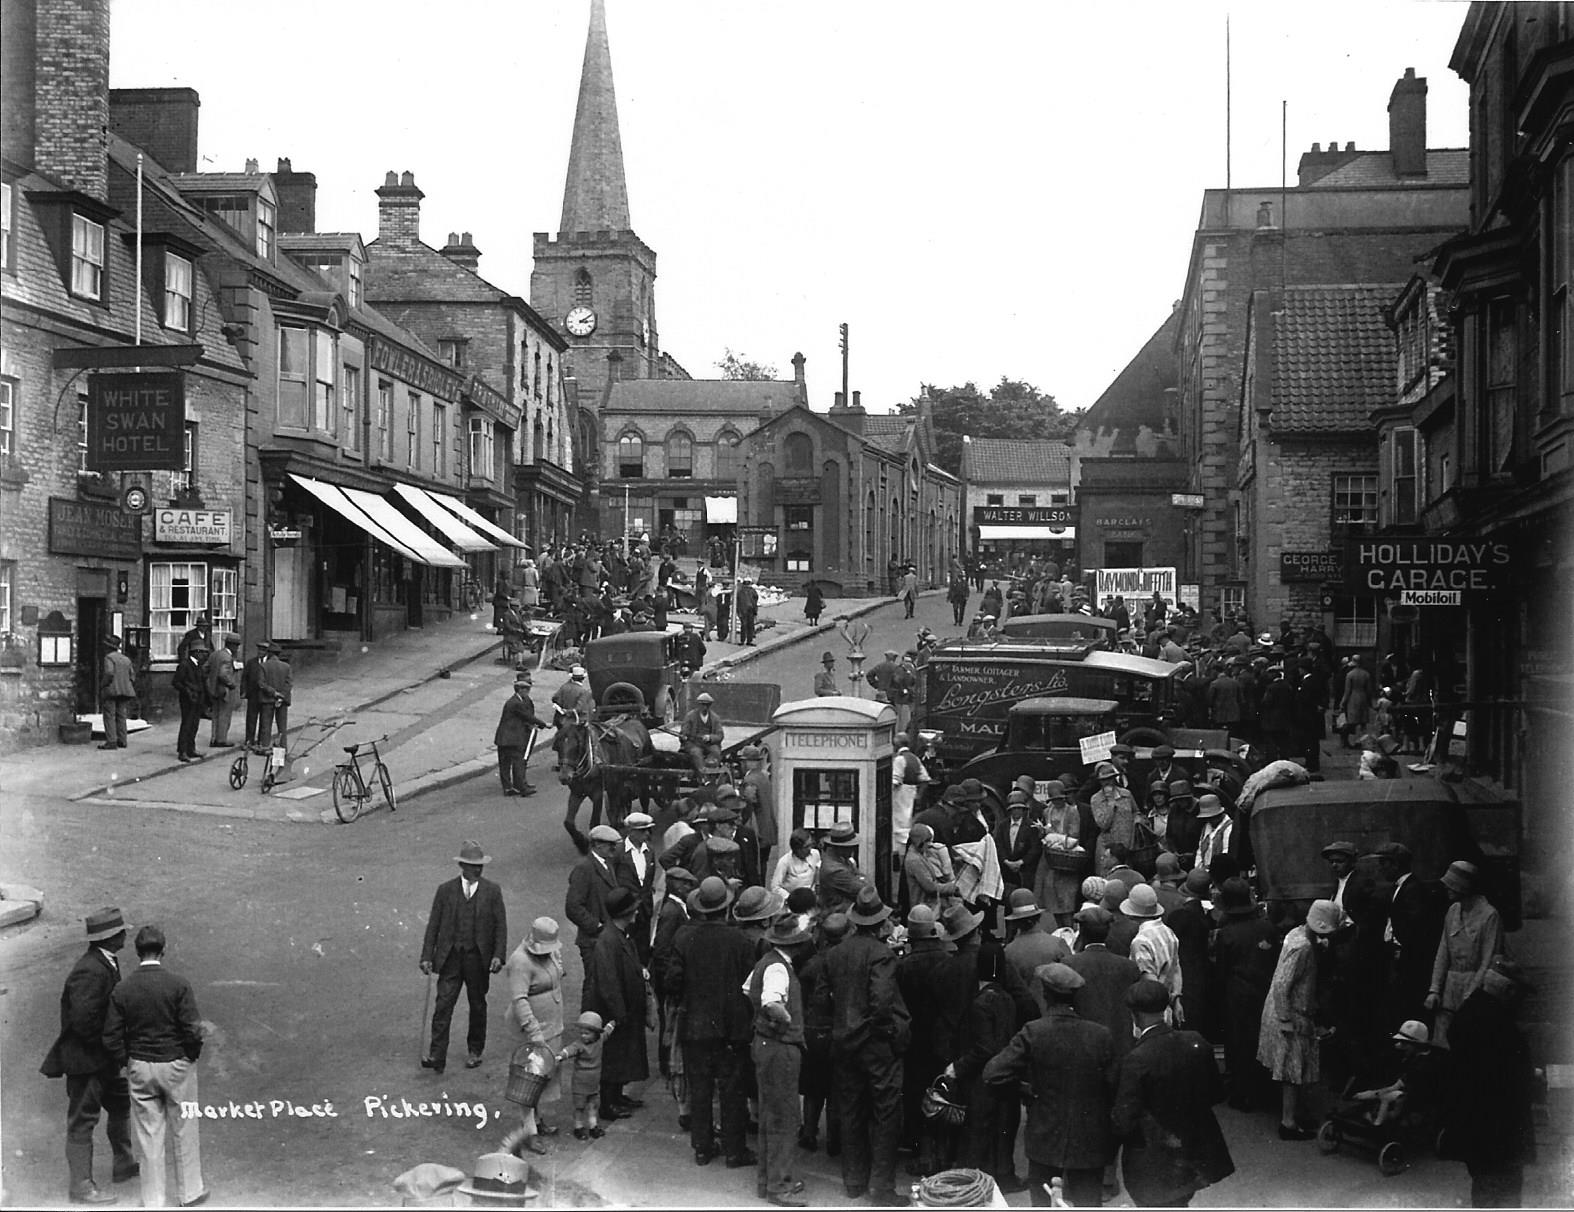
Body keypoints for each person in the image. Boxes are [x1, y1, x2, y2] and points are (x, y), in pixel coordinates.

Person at [982, 962, 1115, 1209]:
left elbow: (993, 1073)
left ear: (1045, 995)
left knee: (1043, 1203)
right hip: (1089, 1137)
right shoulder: (1100, 1034)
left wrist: (1023, 1089)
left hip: (1045, 1133)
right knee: (1088, 1203)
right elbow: (1112, 1085)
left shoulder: (1034, 1032)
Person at [100, 925, 207, 1210]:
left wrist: (127, 1060)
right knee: (184, 1126)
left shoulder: (123, 988)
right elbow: (192, 1029)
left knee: (148, 1136)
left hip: (140, 1066)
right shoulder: (178, 984)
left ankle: (153, 1199)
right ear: (163, 949)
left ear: (137, 953)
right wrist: (189, 1056)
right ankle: (189, 1193)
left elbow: (110, 1035)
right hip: (176, 1064)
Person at [40, 907, 138, 1204]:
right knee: (83, 1120)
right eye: (121, 932)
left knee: (120, 1106)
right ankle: (81, 1186)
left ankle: (123, 1162)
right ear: (110, 937)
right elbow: (84, 1021)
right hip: (87, 1061)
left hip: (102, 1059)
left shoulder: (105, 961)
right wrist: (111, 1045)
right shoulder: (89, 970)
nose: (124, 935)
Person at [1112, 979, 1235, 1209]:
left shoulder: (1136, 1059)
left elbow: (1123, 1121)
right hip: (1192, 1157)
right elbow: (1216, 1094)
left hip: (1152, 1165)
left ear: (1135, 1015)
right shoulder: (1196, 1042)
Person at [823, 886, 907, 1206]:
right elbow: (882, 1001)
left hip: (844, 1042)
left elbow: (824, 999)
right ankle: (882, 1188)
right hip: (874, 1044)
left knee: (851, 1110)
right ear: (880, 922)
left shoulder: (835, 953)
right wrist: (884, 1031)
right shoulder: (882, 955)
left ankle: (854, 1180)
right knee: (886, 1112)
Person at [667, 877, 756, 1167]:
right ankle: (734, 1150)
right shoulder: (740, 940)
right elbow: (748, 984)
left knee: (701, 1088)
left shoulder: (684, 936)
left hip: (695, 1024)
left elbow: (673, 981)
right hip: (731, 1028)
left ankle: (702, 1147)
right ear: (726, 907)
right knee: (732, 1089)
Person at [1440, 957, 1538, 1208]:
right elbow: (1514, 1084)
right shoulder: (1501, 1028)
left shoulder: (1468, 1013)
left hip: (1476, 1131)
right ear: (1507, 990)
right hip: (1500, 1136)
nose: (1522, 1003)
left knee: (1483, 1188)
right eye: (1521, 995)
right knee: (1502, 1193)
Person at [1258, 898, 1344, 1139]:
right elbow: (1283, 984)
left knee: (1293, 1069)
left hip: (1286, 1009)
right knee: (1292, 1071)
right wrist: (1286, 1019)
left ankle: (1294, 1114)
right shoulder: (1303, 947)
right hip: (1290, 1012)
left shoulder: (1296, 934)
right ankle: (1288, 1122)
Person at [420, 840, 508, 1073]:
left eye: (480, 865)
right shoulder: (445, 891)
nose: (477, 869)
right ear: (462, 866)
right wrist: (427, 955)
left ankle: (475, 1051)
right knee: (443, 1006)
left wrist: (499, 955)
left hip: (477, 959)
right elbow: (433, 926)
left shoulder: (492, 891)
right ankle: (436, 1055)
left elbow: (501, 926)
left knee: (477, 1005)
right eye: (472, 865)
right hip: (450, 958)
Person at [746, 915, 817, 1207]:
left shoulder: (768, 960)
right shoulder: (779, 967)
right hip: (780, 1048)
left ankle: (768, 1179)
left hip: (765, 1045)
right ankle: (779, 1185)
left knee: (769, 1116)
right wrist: (784, 1019)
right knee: (784, 1119)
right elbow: (771, 1002)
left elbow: (747, 989)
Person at [1212, 878, 1279, 1111]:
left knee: (1239, 1044)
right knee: (1263, 1040)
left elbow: (1221, 970)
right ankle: (1265, 1090)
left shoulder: (1226, 934)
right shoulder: (1267, 927)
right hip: (1264, 991)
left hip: (1237, 995)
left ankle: (1242, 1093)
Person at [584, 887, 650, 1122]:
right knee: (613, 1059)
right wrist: (619, 1013)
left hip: (625, 1009)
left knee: (623, 1057)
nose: (636, 914)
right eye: (633, 910)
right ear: (625, 913)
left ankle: (618, 1096)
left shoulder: (619, 935)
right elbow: (608, 981)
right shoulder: (608, 940)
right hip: (614, 1012)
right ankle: (608, 1103)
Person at [501, 918, 565, 1155]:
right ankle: (529, 1131)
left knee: (545, 1077)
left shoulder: (551, 954)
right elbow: (520, 1000)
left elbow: (558, 973)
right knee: (528, 1081)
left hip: (552, 1025)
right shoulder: (520, 961)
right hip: (532, 1030)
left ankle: (537, 1121)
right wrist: (533, 1031)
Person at [1426, 860, 1504, 1047]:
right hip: (1451, 985)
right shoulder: (1452, 911)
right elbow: (1443, 952)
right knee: (1443, 1038)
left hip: (1476, 987)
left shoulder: (1489, 915)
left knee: (1471, 1039)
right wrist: (1435, 989)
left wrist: (1471, 995)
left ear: (1464, 887)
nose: (1447, 889)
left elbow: (1489, 961)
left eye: (1451, 885)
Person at [1371, 842, 1446, 1029]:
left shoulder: (1412, 889)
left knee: (1407, 1004)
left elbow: (1416, 929)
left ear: (1396, 865)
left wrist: (1400, 949)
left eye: (1384, 864)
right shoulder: (1399, 888)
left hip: (1408, 962)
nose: (1380, 869)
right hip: (1399, 959)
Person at [1062, 905, 1142, 1061]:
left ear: (1082, 933)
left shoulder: (1069, 964)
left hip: (1084, 1046)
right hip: (1121, 1045)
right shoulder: (1129, 966)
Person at [565, 826, 622, 994]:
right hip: (593, 941)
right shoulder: (585, 868)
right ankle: (589, 1019)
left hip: (606, 938)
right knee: (594, 985)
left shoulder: (607, 864)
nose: (614, 848)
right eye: (610, 844)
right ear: (597, 844)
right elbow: (572, 907)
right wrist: (596, 926)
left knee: (607, 984)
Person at [613, 813, 658, 965]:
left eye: (648, 830)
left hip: (644, 909)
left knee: (643, 947)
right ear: (631, 832)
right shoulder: (618, 852)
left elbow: (649, 878)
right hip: (625, 909)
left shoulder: (649, 851)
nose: (646, 834)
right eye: (642, 831)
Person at [556, 1011, 609, 1139]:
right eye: (581, 1033)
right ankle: (578, 1126)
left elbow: (607, 1032)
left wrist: (612, 1024)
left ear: (596, 1033)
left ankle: (593, 1125)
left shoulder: (600, 1040)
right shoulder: (579, 1044)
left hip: (594, 1081)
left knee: (593, 1104)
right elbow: (570, 1050)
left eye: (587, 1033)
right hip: (580, 1082)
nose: (583, 1036)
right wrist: (561, 1055)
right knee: (579, 1106)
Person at [495, 673, 547, 797]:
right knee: (517, 761)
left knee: (505, 763)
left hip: (504, 738)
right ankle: (521, 787)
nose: (528, 691)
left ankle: (508, 787)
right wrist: (543, 724)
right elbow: (527, 716)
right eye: (526, 689)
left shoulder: (516, 700)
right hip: (512, 738)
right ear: (520, 690)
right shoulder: (516, 703)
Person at [1090, 762, 1137, 876]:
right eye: (1103, 780)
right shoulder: (1096, 799)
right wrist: (1111, 804)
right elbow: (1103, 824)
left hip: (1127, 845)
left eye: (1109, 779)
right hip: (1107, 849)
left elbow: (1136, 812)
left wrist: (1137, 820)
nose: (1107, 782)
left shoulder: (1126, 794)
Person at [549, 666, 596, 770]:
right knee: (586, 740)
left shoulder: (564, 687)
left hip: (563, 721)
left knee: (563, 741)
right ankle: (586, 760)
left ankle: (561, 763)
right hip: (577, 722)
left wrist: (563, 709)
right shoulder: (583, 692)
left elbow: (554, 698)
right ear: (582, 679)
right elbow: (579, 708)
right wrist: (570, 711)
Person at [171, 639, 208, 763]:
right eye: (202, 652)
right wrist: (187, 690)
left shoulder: (198, 665)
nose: (204, 655)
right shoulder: (184, 665)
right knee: (186, 725)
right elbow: (176, 682)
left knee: (194, 725)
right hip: (187, 700)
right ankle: (182, 751)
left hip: (198, 699)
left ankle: (191, 749)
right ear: (195, 652)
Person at [99, 637, 136, 751]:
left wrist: (102, 685)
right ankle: (122, 740)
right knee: (121, 715)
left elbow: (109, 673)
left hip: (111, 690)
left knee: (109, 715)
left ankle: (111, 741)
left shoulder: (109, 658)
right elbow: (132, 676)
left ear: (108, 647)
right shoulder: (126, 659)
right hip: (125, 690)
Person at [256, 642, 293, 750]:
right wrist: (281, 696)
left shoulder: (263, 666)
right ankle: (282, 748)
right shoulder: (286, 667)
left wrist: (273, 692)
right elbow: (289, 683)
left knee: (266, 725)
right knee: (282, 727)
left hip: (267, 699)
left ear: (269, 654)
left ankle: (265, 747)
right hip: (282, 701)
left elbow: (261, 684)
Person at [680, 692, 725, 777]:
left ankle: (713, 774)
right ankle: (703, 776)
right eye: (702, 705)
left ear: (710, 706)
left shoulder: (715, 718)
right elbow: (684, 732)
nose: (704, 707)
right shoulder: (690, 716)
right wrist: (684, 736)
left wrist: (710, 737)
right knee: (696, 753)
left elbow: (720, 735)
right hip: (694, 744)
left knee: (716, 751)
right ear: (698, 705)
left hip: (709, 744)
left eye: (707, 705)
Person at [769, 829, 821, 895]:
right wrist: (790, 898)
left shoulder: (815, 854)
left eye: (811, 845)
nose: (810, 849)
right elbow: (775, 887)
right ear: (797, 849)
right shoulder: (785, 861)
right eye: (806, 847)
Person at [736, 578, 759, 646]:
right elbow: (755, 601)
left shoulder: (742, 591)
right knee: (747, 626)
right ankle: (747, 640)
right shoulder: (743, 592)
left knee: (746, 626)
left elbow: (755, 600)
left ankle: (745, 640)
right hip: (747, 611)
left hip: (747, 611)